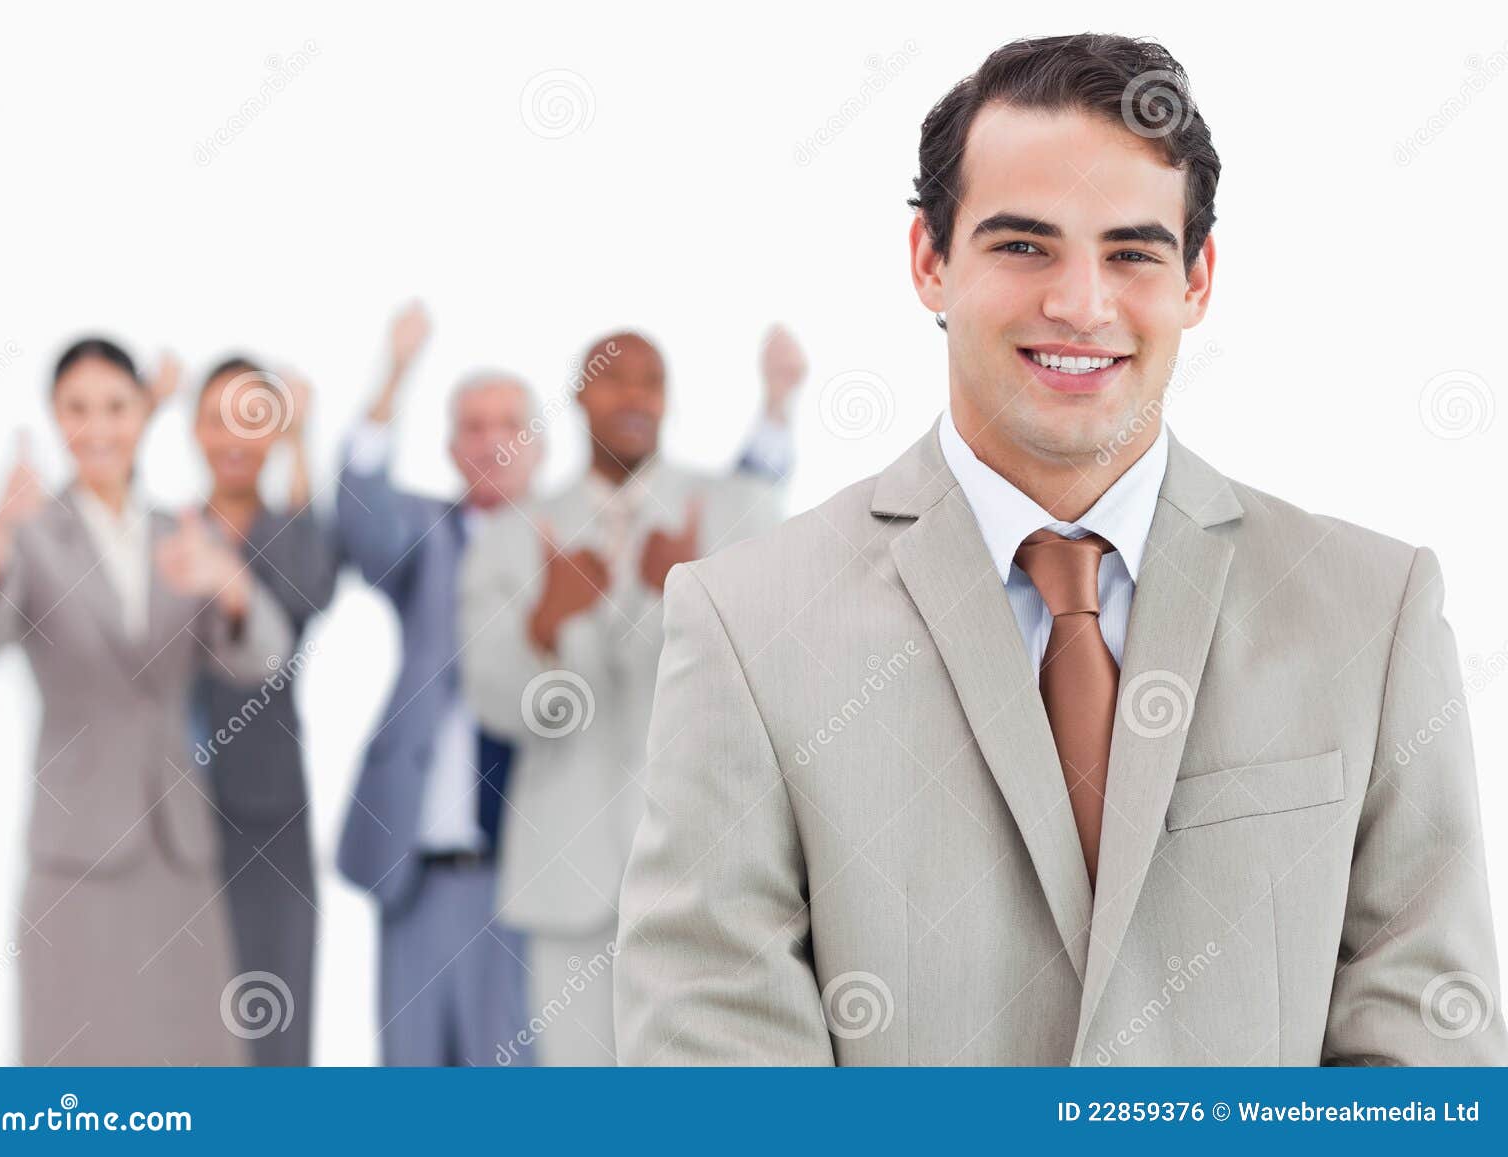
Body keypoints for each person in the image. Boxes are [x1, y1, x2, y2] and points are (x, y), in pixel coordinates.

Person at [613, 33, 1507, 1065]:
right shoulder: (747, 625)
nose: (1080, 303)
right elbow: (714, 1065)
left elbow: (1428, 1053)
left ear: (1197, 279)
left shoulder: (1371, 610)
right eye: (1023, 245)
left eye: (1130, 251)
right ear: (929, 262)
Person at [461, 324, 807, 1065]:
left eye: (651, 382)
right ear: (580, 396)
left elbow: (777, 677)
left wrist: (686, 597)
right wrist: (544, 624)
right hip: (567, 874)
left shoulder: (734, 509)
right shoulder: (511, 533)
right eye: (616, 379)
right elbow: (492, 705)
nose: (635, 396)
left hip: (709, 879)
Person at [0, 337, 292, 1065]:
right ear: (54, 415)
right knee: (72, 1053)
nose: (97, 426)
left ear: (144, 415)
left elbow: (263, 659)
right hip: (76, 844)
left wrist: (230, 585)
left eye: (116, 406)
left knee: (190, 1054)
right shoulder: (35, 535)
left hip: (177, 840)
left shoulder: (182, 532)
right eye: (77, 408)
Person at [335, 303, 543, 1067]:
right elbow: (359, 517)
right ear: (452, 447)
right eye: (473, 426)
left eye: (507, 425)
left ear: (538, 445)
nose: (491, 441)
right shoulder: (425, 534)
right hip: (415, 867)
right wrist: (394, 374)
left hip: (533, 872)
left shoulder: (573, 541)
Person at [189, 357, 340, 1065]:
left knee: (273, 1007)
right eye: (219, 415)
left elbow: (309, 589)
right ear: (192, 427)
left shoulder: (286, 530)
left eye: (255, 418)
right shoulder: (170, 532)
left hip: (267, 805)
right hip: (169, 802)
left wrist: (304, 443)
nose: (234, 436)